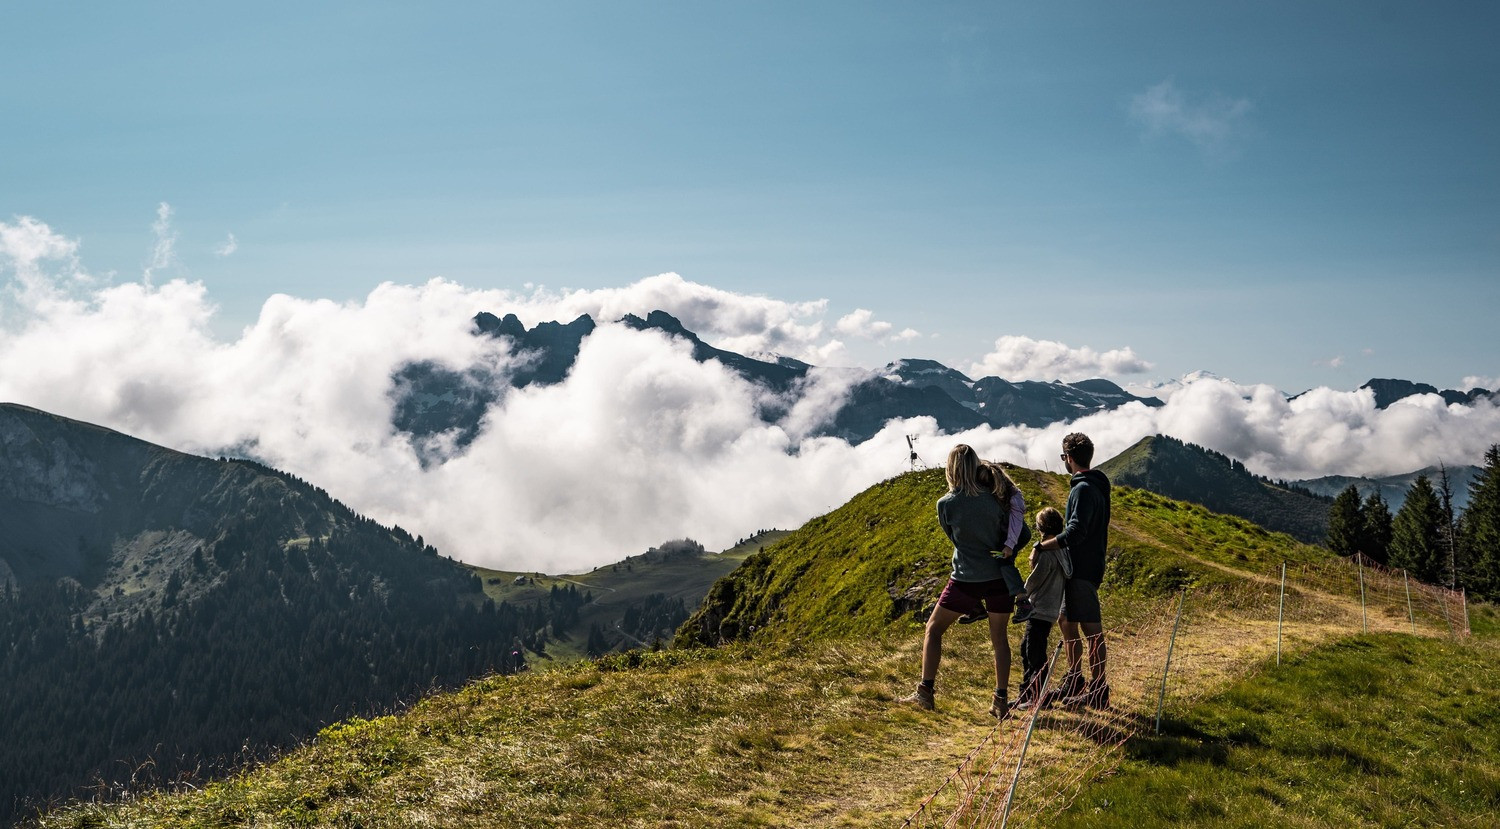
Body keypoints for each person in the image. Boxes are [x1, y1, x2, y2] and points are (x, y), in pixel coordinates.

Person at [901, 444, 1017, 718]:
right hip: (999, 576)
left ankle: (925, 692)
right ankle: (1000, 700)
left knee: (934, 629)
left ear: (950, 468)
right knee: (999, 639)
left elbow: (952, 537)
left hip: (966, 577)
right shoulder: (996, 498)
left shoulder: (946, 504)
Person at [1033, 432, 1111, 709]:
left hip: (1082, 569)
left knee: (1092, 630)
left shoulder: (1083, 489)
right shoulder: (1096, 485)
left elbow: (1076, 531)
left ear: (1068, 457)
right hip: (1082, 567)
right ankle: (1075, 679)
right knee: (1065, 621)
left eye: (1063, 457)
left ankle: (1098, 689)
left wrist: (1043, 546)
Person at [958, 462, 1033, 625]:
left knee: (1004, 562)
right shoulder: (992, 495)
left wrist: (1010, 545)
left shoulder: (1013, 495)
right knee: (985, 559)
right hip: (1004, 534)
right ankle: (975, 605)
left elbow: (1016, 523)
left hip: (1017, 534)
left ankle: (1023, 601)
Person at [1012, 507, 1070, 710]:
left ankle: (1038, 697)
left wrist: (1020, 594)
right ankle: (1026, 693)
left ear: (1041, 528)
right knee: (1028, 648)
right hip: (1051, 608)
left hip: (1040, 608)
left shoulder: (1047, 553)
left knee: (1034, 653)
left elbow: (1035, 580)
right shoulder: (1062, 550)